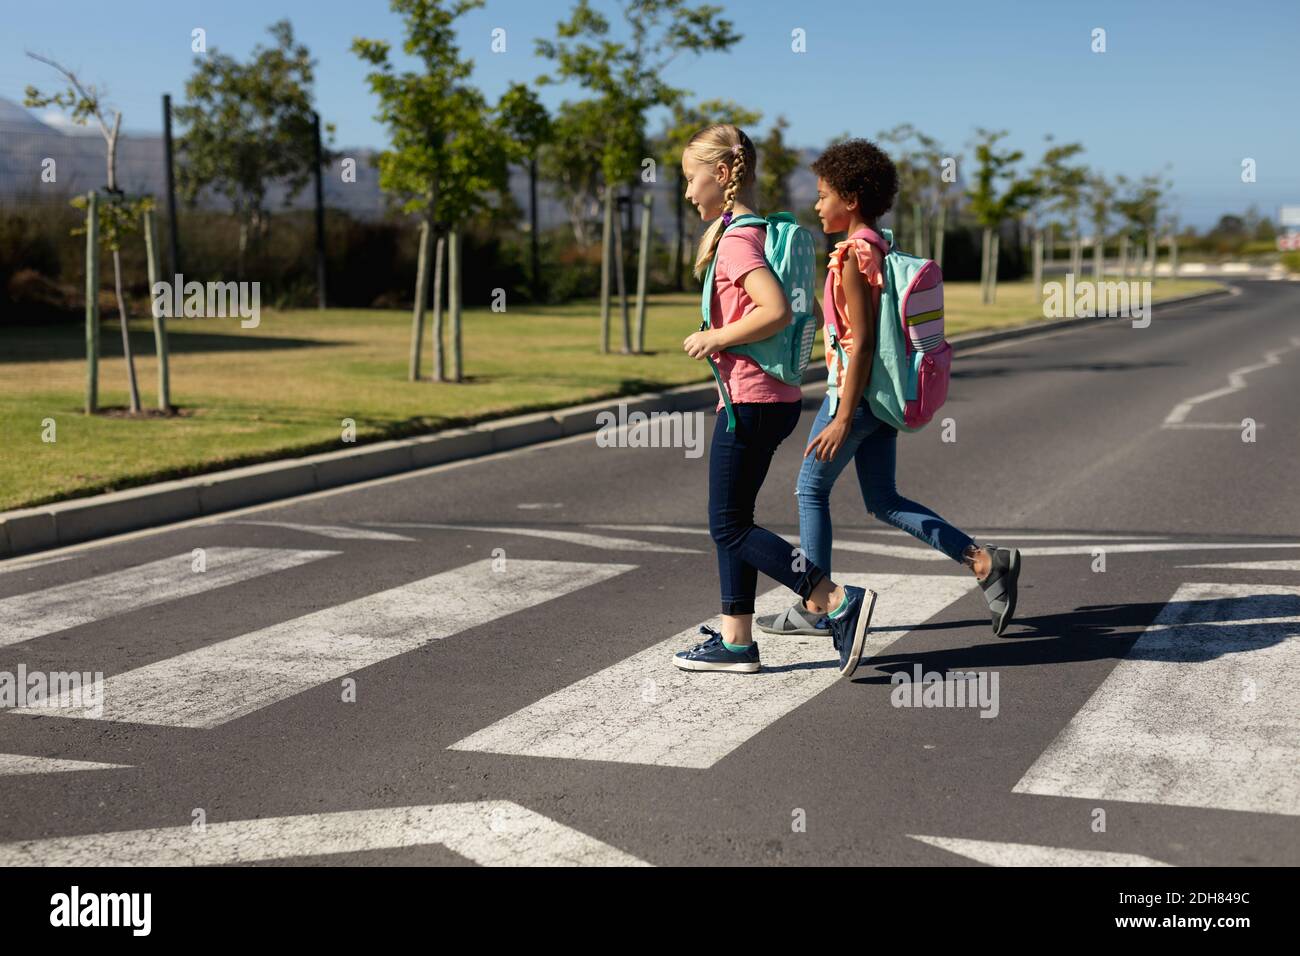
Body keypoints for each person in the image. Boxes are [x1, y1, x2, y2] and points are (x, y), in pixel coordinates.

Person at [758, 139, 1021, 640]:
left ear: (851, 198)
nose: (816, 205)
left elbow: (859, 347)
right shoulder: (879, 247)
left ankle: (818, 606)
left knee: (810, 489)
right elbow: (851, 328)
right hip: (880, 399)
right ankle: (986, 561)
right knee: (882, 498)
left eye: (822, 195)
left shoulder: (853, 259)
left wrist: (840, 416)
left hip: (853, 397)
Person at [673, 123, 875, 678]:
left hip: (750, 397)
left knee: (728, 525)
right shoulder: (763, 230)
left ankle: (832, 599)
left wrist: (715, 337)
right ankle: (737, 640)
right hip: (774, 395)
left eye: (691, 178)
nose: (687, 191)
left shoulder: (737, 238)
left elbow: (775, 310)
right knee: (733, 519)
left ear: (720, 174)